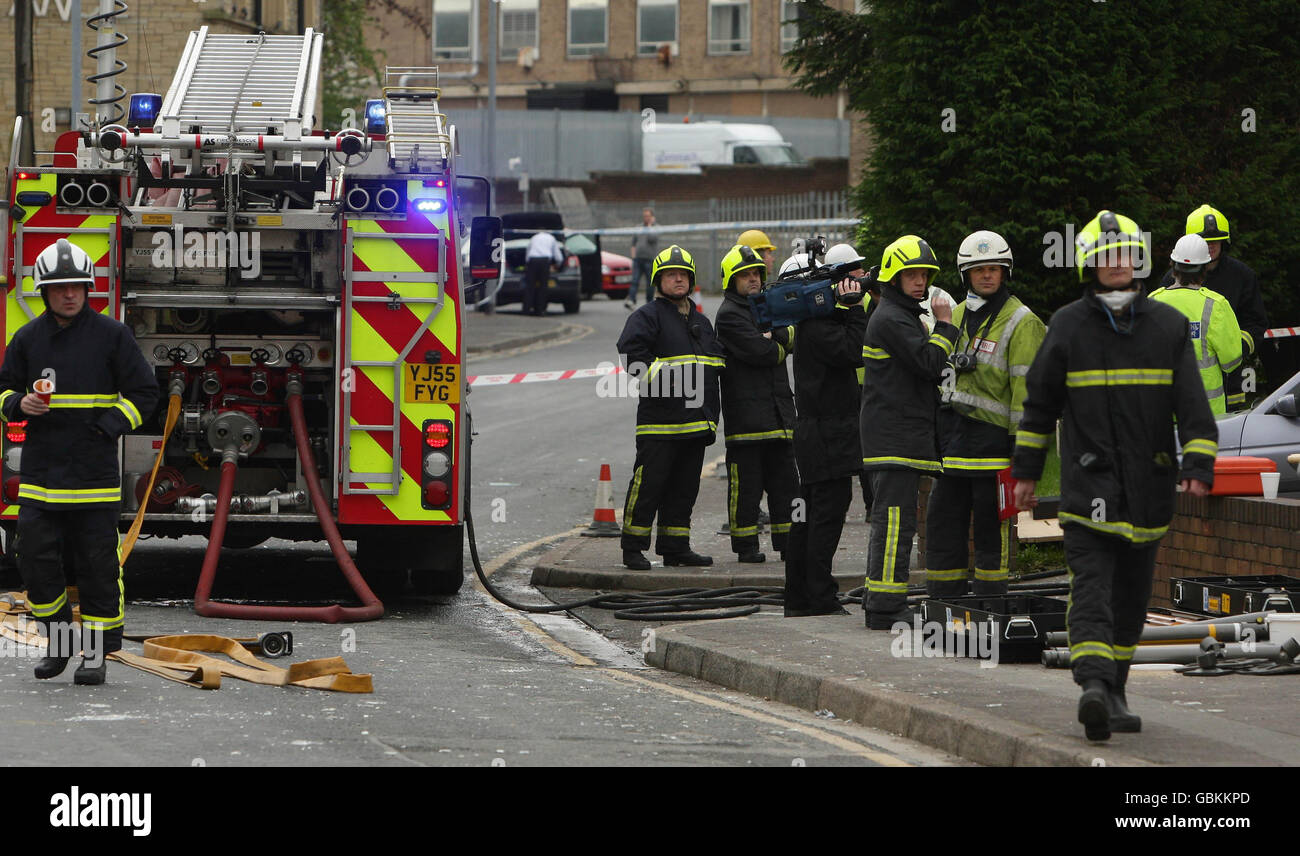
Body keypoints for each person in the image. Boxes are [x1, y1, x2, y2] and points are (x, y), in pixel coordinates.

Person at [1013, 210, 1216, 741]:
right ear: (1089, 264)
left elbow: (1192, 404)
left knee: (1131, 599)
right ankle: (1094, 688)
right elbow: (1039, 405)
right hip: (1089, 488)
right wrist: (1027, 473)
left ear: (1140, 261)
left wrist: (1198, 464)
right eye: (1106, 257)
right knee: (1093, 590)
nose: (1117, 264)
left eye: (1124, 255)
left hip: (1148, 491)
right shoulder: (1068, 327)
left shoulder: (1167, 327)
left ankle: (1116, 690)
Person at [0, 238, 159, 685]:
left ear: (88, 289)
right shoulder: (28, 338)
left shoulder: (112, 336)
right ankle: (59, 644)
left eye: (77, 286)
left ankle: (96, 654)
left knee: (97, 567)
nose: (70, 294)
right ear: (45, 292)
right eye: (60, 287)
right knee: (35, 560)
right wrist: (17, 404)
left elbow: (145, 394)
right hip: (40, 475)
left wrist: (109, 426)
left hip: (93, 476)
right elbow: (2, 390)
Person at [925, 231, 1045, 599]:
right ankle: (945, 602)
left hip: (994, 447)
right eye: (979, 270)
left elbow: (1029, 394)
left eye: (994, 268)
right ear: (966, 275)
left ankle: (991, 604)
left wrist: (1021, 454)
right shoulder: (952, 317)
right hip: (952, 444)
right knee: (943, 525)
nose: (987, 276)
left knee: (992, 533)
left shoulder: (1022, 321)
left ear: (1004, 272)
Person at [860, 235, 957, 630]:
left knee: (895, 522)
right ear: (892, 278)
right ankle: (884, 608)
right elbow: (930, 362)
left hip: (897, 436)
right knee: (896, 523)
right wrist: (946, 326)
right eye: (910, 275)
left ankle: (881, 598)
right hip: (894, 438)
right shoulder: (893, 319)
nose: (919, 282)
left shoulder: (898, 314)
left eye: (923, 274)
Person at [617, 245, 724, 570]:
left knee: (684, 490)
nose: (678, 280)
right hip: (660, 425)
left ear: (691, 280)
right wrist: (669, 380)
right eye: (670, 275)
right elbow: (630, 357)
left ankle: (675, 547)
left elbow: (715, 365)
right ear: (658, 281)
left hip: (695, 424)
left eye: (683, 275)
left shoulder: (702, 322)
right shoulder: (646, 317)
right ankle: (633, 548)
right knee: (648, 486)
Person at [783, 250, 869, 617]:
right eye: (857, 274)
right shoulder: (821, 324)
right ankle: (818, 596)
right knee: (824, 516)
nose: (864, 279)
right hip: (825, 436)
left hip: (819, 433)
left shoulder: (817, 320)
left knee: (810, 516)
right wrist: (854, 307)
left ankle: (801, 597)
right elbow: (857, 350)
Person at [714, 244, 798, 564]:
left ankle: (790, 542)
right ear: (731, 281)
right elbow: (766, 353)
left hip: (778, 416)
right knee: (746, 490)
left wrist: (774, 341)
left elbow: (789, 336)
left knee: (787, 487)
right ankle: (746, 547)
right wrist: (775, 345)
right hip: (747, 422)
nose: (752, 279)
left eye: (756, 273)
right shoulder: (729, 315)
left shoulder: (766, 305)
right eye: (745, 275)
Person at [1156, 204, 1266, 410]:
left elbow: (1257, 323)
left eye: (1216, 240)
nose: (1211, 245)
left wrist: (1237, 346)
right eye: (1205, 240)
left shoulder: (1242, 276)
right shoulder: (1168, 283)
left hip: (1231, 383)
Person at [1148, 234, 1242, 415]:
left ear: (1173, 267)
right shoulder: (1216, 304)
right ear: (1204, 268)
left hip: (1161, 414)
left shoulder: (1152, 302)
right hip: (1207, 415)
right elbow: (1231, 361)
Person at [523, 229, 565, 316]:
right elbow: (558, 255)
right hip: (544, 262)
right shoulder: (551, 238)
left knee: (530, 286)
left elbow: (528, 251)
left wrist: (527, 264)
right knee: (543, 287)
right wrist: (558, 264)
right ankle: (540, 310)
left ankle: (526, 310)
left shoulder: (534, 237)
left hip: (533, 261)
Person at [627, 208, 658, 309]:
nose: (646, 218)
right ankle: (631, 300)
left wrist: (650, 226)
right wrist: (633, 256)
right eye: (644, 216)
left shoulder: (656, 228)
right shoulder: (639, 227)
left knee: (650, 282)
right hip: (638, 259)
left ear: (652, 217)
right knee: (635, 280)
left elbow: (652, 239)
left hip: (650, 259)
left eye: (648, 216)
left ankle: (649, 302)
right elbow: (633, 243)